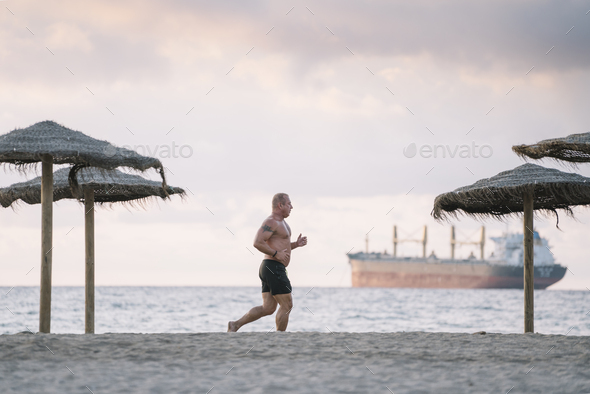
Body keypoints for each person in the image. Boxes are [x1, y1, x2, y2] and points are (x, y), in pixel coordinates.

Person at [227, 193, 307, 332]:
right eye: (289, 204)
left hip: (270, 267)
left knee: (268, 308)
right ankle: (279, 338)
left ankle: (235, 325)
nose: (292, 207)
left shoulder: (283, 223)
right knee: (287, 305)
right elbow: (257, 242)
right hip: (273, 267)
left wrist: (295, 244)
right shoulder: (272, 221)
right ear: (280, 205)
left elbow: (281, 247)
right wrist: (276, 254)